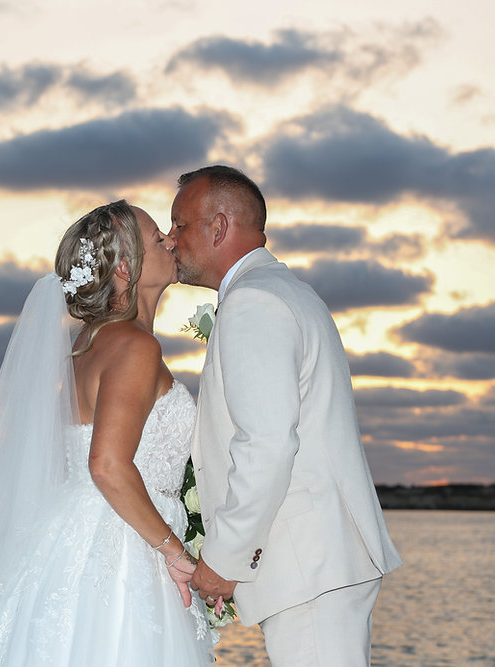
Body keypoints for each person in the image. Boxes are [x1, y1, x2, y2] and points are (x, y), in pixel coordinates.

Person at [0, 200, 214, 666]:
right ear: (124, 267)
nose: (171, 241)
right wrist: (177, 556)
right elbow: (108, 465)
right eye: (158, 238)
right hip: (119, 550)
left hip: (72, 538)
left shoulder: (89, 345)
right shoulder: (135, 347)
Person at [168, 166, 403, 666]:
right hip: (319, 563)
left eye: (179, 225)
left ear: (219, 227)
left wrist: (223, 558)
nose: (170, 241)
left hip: (309, 566)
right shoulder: (286, 291)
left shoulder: (254, 302)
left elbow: (269, 443)